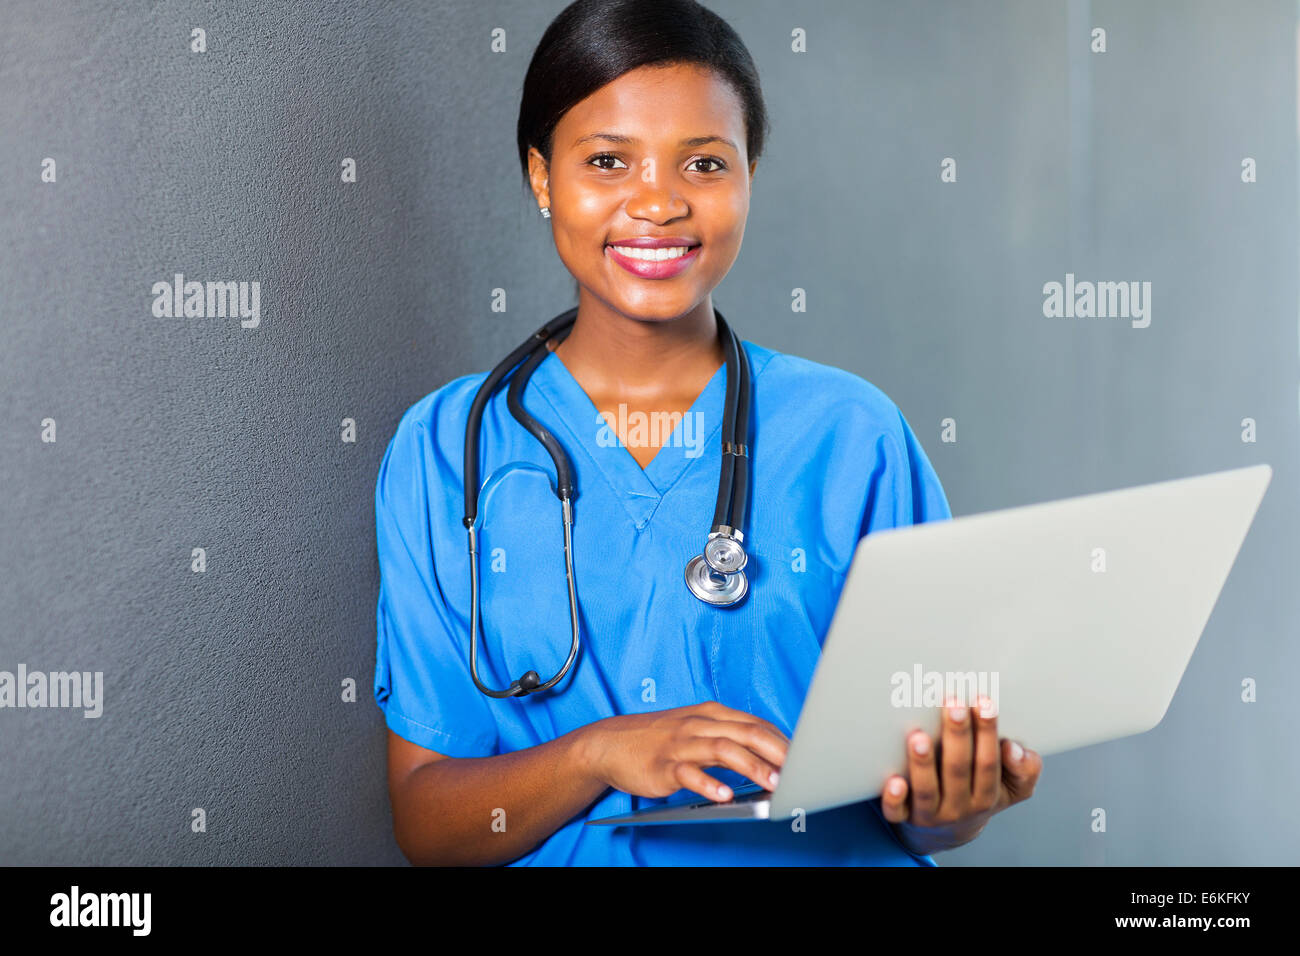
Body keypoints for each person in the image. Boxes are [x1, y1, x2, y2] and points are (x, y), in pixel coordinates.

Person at [373, 0, 1041, 866]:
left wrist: (957, 805)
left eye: (704, 163)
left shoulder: (852, 437)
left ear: (749, 175)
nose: (657, 203)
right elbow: (431, 827)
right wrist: (601, 751)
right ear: (542, 178)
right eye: (607, 161)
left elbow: (923, 804)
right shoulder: (443, 450)